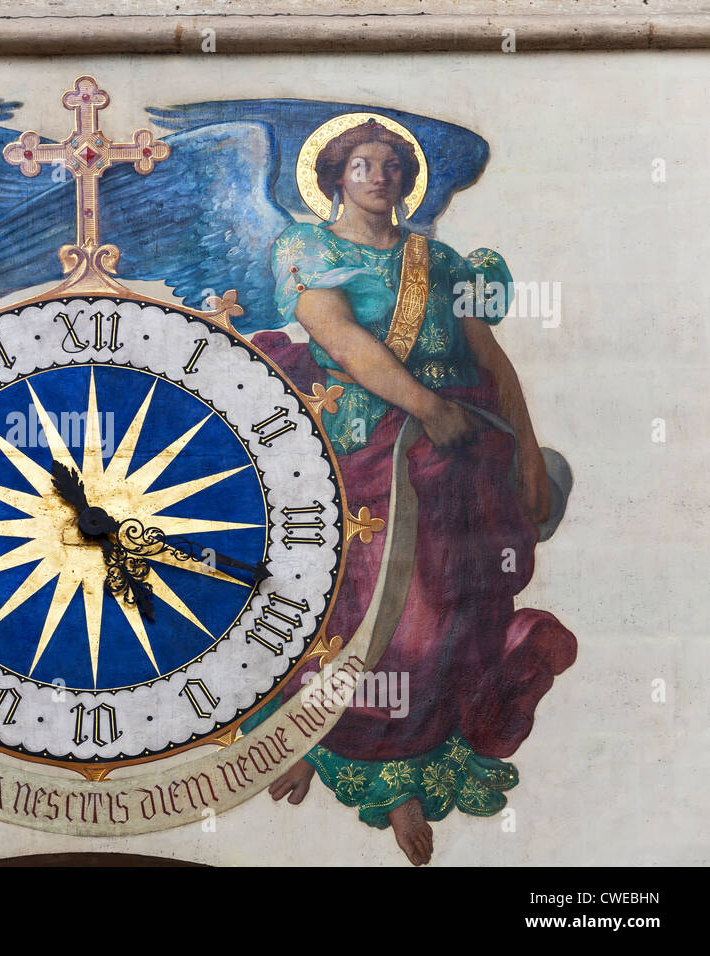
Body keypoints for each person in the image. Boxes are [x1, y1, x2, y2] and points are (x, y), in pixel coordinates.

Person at [260, 119, 577, 865]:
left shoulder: (439, 260)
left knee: (462, 604)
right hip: (367, 452)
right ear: (336, 177)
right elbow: (339, 339)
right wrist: (425, 408)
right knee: (373, 608)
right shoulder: (308, 251)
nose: (379, 176)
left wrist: (527, 452)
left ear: (406, 180)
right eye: (362, 165)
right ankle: (340, 746)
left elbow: (489, 357)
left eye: (392, 166)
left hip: (466, 453)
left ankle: (418, 754)